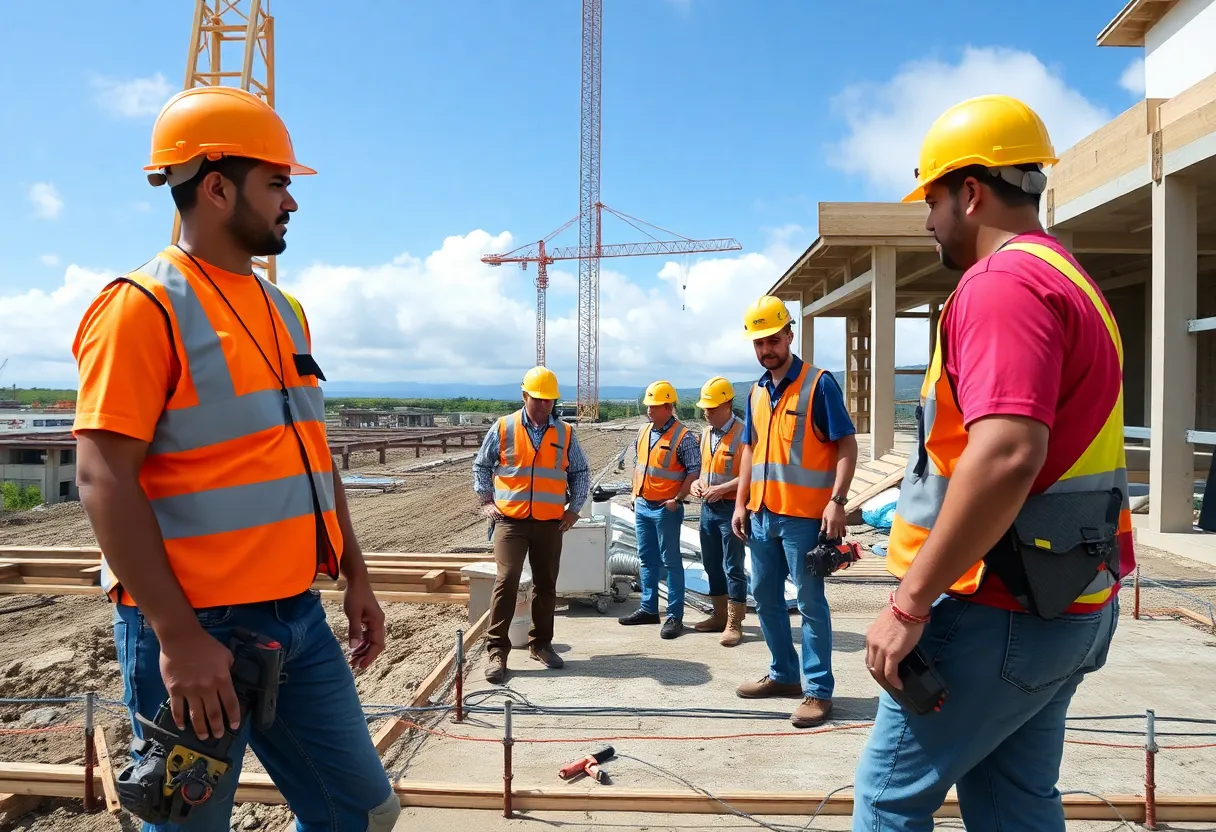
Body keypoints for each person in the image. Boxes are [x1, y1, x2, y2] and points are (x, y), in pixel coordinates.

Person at [71, 86, 400, 831]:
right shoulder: (141, 307)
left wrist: (357, 574)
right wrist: (179, 638)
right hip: (195, 632)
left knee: (364, 814)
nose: (291, 202)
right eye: (277, 183)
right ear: (216, 187)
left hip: (297, 619)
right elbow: (101, 477)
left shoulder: (283, 311)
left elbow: (311, 459)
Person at [852, 94, 1132, 831]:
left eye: (934, 199)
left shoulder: (1000, 284)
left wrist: (909, 602)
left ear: (971, 192)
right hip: (1064, 600)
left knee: (887, 802)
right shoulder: (1069, 278)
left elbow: (1007, 453)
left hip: (995, 608)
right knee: (1013, 802)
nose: (927, 220)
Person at [730, 296, 858, 728]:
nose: (767, 349)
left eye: (773, 339)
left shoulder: (818, 384)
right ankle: (784, 674)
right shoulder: (755, 392)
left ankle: (819, 690)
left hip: (804, 517)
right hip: (762, 514)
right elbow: (748, 450)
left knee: (809, 602)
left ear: (789, 335)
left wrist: (837, 502)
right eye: (759, 343)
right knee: (765, 597)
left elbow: (846, 445)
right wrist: (740, 502)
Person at [472, 366, 590, 683]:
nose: (543, 406)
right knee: (507, 578)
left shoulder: (565, 433)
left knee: (547, 584)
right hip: (510, 521)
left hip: (550, 522)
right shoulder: (504, 427)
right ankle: (497, 650)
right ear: (525, 396)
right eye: (537, 399)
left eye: (549, 401)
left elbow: (580, 473)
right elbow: (481, 466)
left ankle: (541, 644)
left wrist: (574, 509)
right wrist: (486, 501)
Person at [618, 380, 701, 639]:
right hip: (643, 505)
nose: (649, 411)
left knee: (671, 562)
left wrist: (677, 498)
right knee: (647, 559)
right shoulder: (644, 432)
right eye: (648, 406)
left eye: (654, 406)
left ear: (668, 406)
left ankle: (675, 616)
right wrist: (634, 495)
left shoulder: (683, 436)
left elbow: (694, 471)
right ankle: (649, 608)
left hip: (667, 508)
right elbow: (638, 465)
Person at [688, 376, 748, 646]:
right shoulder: (708, 435)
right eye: (705, 408)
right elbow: (704, 469)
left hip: (730, 509)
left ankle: (735, 623)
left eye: (711, 408)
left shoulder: (743, 434)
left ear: (728, 404)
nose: (706, 413)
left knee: (733, 566)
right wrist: (698, 484)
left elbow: (752, 475)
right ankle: (720, 615)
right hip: (708, 509)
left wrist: (723, 490)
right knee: (711, 563)